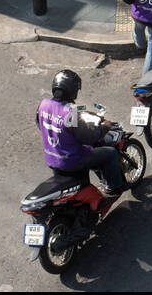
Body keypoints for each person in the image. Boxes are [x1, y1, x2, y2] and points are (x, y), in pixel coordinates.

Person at [37, 69, 125, 198]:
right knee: (110, 153)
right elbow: (89, 138)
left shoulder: (43, 105)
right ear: (72, 90)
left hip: (52, 158)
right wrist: (104, 127)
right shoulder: (69, 113)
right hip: (72, 160)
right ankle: (114, 188)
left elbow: (40, 125)